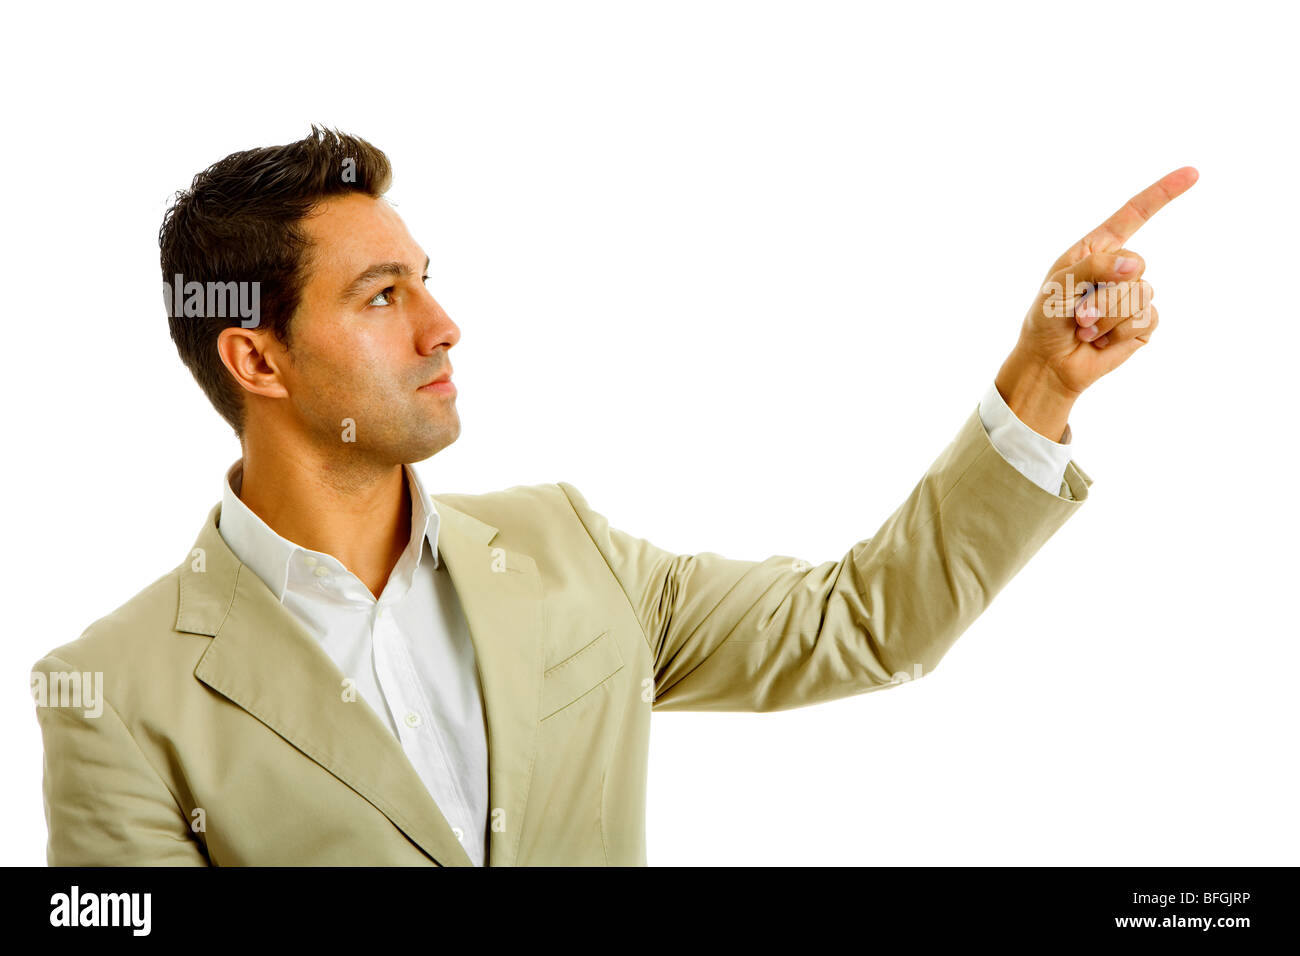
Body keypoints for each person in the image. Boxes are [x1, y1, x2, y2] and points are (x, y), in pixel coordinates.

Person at [29, 127, 1197, 865]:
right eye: (382, 295)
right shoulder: (117, 695)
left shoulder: (562, 547)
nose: (444, 325)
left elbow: (867, 623)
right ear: (259, 360)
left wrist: (1040, 378)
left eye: (425, 283)